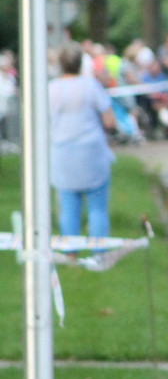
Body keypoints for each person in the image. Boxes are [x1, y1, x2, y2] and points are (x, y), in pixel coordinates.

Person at [49, 44, 116, 237]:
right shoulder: (90, 85)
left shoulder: (51, 89)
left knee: (68, 207)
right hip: (91, 152)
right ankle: (99, 253)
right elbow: (109, 119)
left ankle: (71, 253)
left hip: (62, 153)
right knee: (97, 208)